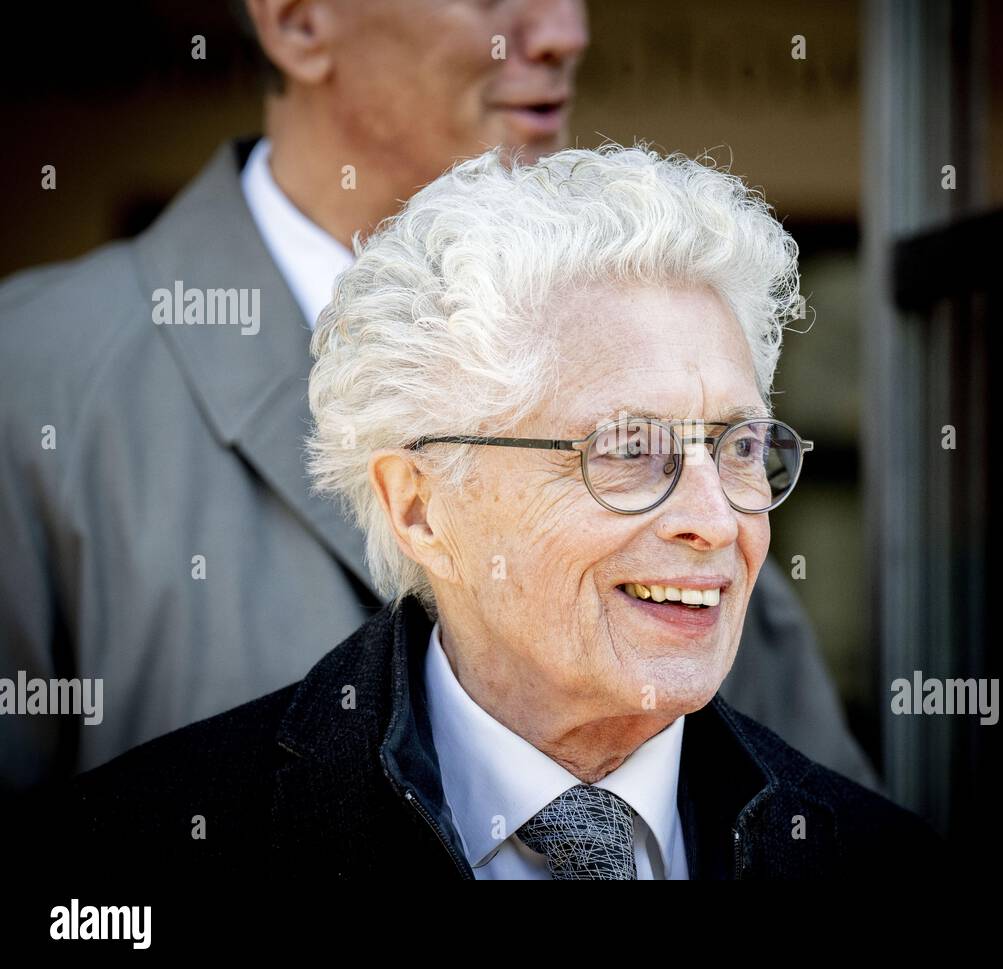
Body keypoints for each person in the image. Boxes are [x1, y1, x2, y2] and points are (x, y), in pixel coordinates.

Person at [0, 0, 875, 793]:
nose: (563, 32)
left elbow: (801, 813)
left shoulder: (691, 413)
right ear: (299, 21)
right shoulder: (33, 369)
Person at [21, 145, 936, 881]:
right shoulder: (129, 856)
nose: (715, 519)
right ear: (420, 507)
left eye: (738, 447)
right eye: (626, 449)